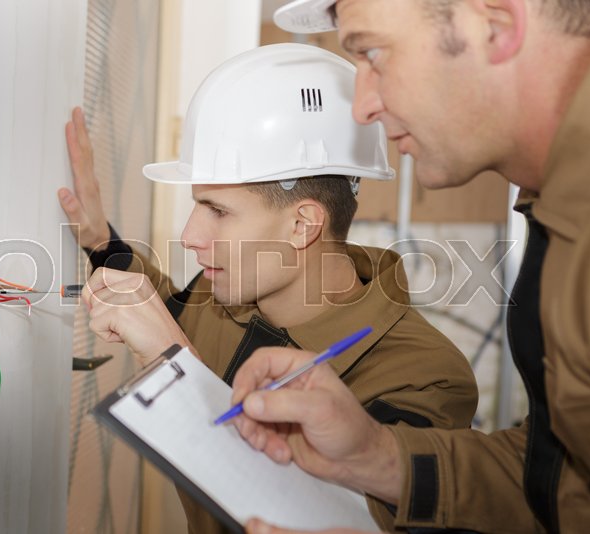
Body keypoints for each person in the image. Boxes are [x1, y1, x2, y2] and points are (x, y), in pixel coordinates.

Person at [231, 0, 590, 532]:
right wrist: (375, 456)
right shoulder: (568, 204)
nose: (362, 106)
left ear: (497, 23)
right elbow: (565, 482)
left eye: (372, 52)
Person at [58, 44, 479, 533]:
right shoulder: (226, 297)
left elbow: (331, 517)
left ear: (302, 225)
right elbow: (168, 309)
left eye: (218, 210)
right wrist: (100, 241)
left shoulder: (425, 377)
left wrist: (177, 365)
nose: (191, 236)